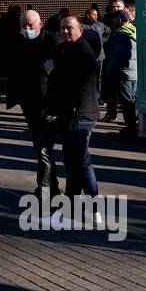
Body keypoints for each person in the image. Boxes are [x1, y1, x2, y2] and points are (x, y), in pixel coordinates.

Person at [45, 15, 103, 213]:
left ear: (80, 30)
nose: (65, 31)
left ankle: (80, 205)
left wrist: (52, 72)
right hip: (72, 115)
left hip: (80, 116)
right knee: (76, 161)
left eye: (69, 28)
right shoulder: (68, 48)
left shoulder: (82, 52)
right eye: (62, 28)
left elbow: (69, 83)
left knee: (78, 163)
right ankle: (83, 205)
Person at [6, 8, 64, 198]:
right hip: (28, 101)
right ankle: (52, 188)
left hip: (49, 103)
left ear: (40, 23)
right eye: (23, 25)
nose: (27, 28)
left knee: (43, 146)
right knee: (40, 145)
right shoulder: (17, 41)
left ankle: (45, 189)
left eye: (30, 25)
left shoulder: (53, 43)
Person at [103, 8, 139, 137]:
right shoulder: (133, 31)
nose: (113, 21)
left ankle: (130, 128)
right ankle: (134, 125)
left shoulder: (120, 34)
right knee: (133, 99)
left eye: (114, 18)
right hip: (134, 72)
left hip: (124, 73)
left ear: (120, 19)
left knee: (127, 101)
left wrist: (110, 69)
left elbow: (118, 56)